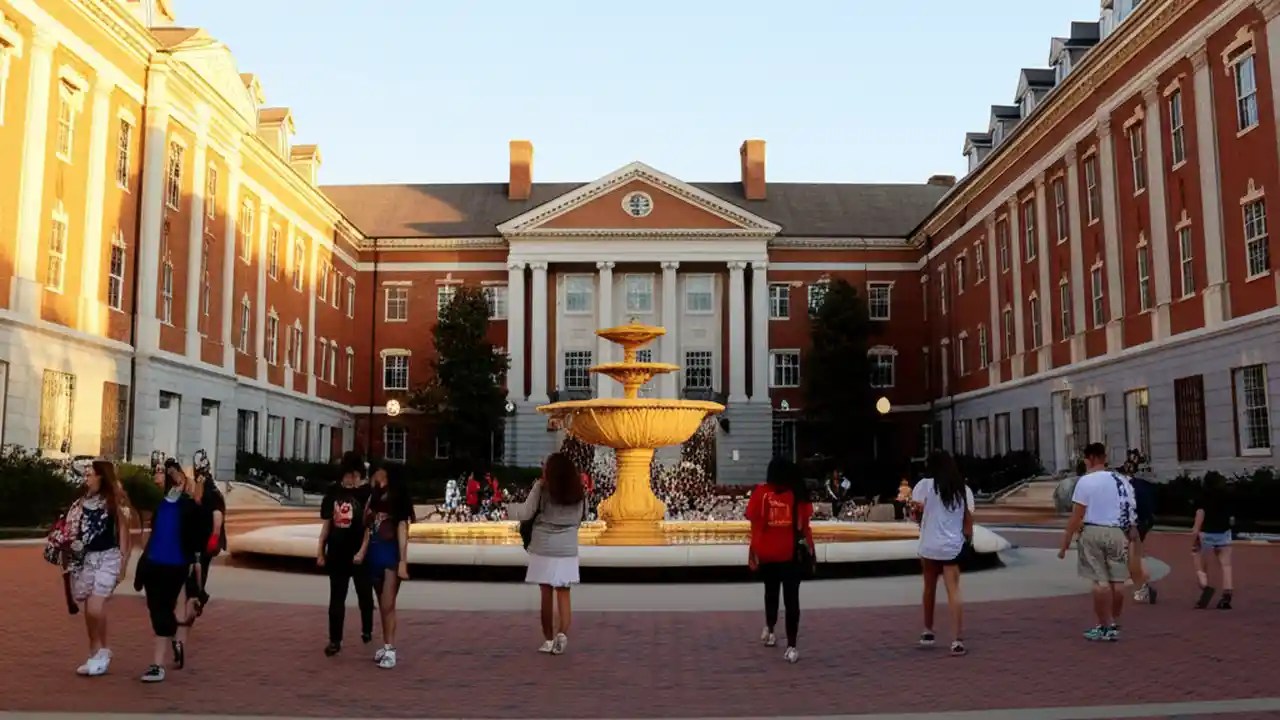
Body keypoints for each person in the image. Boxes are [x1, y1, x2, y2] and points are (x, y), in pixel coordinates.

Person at [507, 452, 585, 655]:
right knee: (564, 592)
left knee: (546, 594)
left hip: (544, 545)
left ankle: (549, 639)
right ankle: (562, 634)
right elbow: (580, 518)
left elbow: (525, 513)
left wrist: (509, 508)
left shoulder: (542, 487)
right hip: (567, 547)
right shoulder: (578, 490)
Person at [1057, 443, 1137, 642]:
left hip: (1092, 530)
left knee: (1099, 581)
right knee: (1118, 581)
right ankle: (1114, 620)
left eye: (1085, 459)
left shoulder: (1086, 482)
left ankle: (1104, 625)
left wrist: (1065, 542)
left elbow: (1077, 515)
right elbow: (1130, 508)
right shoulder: (1122, 480)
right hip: (1117, 531)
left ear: (1091, 458)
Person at [137, 461, 204, 682]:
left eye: (164, 472)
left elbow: (196, 534)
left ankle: (157, 665)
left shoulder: (187, 505)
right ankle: (174, 639)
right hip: (152, 564)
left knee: (162, 610)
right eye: (157, 471)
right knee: (156, 608)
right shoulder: (157, 503)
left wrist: (196, 569)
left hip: (175, 565)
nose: (161, 475)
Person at [746, 456, 814, 664]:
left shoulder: (761, 492)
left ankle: (771, 629)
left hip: (768, 553)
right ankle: (792, 646)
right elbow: (804, 526)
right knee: (792, 599)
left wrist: (754, 549)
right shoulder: (798, 494)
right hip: (791, 554)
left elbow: (752, 518)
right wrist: (810, 549)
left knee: (771, 591)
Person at [67, 460, 132, 676]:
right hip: (87, 558)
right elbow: (74, 528)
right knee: (89, 609)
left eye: (90, 474)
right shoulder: (83, 501)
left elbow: (124, 533)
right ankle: (97, 651)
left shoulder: (114, 500)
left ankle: (101, 651)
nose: (86, 478)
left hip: (108, 557)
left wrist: (123, 562)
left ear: (100, 477)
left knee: (96, 606)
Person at [910, 451, 974, 656]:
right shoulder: (963, 490)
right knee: (953, 590)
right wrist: (968, 541)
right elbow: (968, 521)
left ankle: (928, 630)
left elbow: (915, 515)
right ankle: (957, 640)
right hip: (952, 546)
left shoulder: (924, 486)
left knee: (929, 587)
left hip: (929, 545)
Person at [318, 452, 375, 656]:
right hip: (337, 551)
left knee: (365, 594)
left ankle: (367, 628)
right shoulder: (334, 492)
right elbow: (327, 524)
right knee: (336, 597)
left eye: (355, 476)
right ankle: (335, 640)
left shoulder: (367, 493)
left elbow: (369, 527)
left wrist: (362, 551)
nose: (351, 480)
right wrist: (320, 551)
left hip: (360, 551)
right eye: (348, 476)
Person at [363, 462, 413, 668]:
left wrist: (403, 561)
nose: (375, 477)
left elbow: (402, 529)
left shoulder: (398, 498)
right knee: (382, 604)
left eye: (378, 474)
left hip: (390, 553)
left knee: (387, 603)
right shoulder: (373, 496)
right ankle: (386, 645)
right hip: (374, 552)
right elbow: (365, 526)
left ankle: (391, 649)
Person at [1191, 473, 1234, 610]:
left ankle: (1205, 585)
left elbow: (1200, 514)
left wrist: (1195, 532)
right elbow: (1231, 517)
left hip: (1206, 533)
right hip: (1224, 532)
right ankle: (1227, 592)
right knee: (1226, 565)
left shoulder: (1203, 497)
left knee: (1199, 559)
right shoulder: (1227, 496)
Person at [1123, 452, 1158, 605]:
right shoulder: (1144, 486)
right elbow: (1150, 507)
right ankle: (1142, 583)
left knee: (1131, 557)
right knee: (1137, 554)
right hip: (1143, 523)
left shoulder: (1122, 488)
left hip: (1131, 525)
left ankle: (1143, 585)